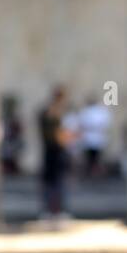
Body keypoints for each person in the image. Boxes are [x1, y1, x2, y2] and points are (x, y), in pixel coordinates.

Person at [36, 86, 73, 223]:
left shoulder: (48, 113)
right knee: (57, 185)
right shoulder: (53, 115)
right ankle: (55, 211)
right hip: (55, 154)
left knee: (52, 185)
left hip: (51, 154)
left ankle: (50, 211)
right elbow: (58, 137)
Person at [73, 94, 112, 178]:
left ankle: (95, 171)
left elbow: (104, 123)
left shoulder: (100, 111)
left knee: (96, 157)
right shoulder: (87, 111)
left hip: (96, 138)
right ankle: (91, 171)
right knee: (90, 157)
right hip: (89, 138)